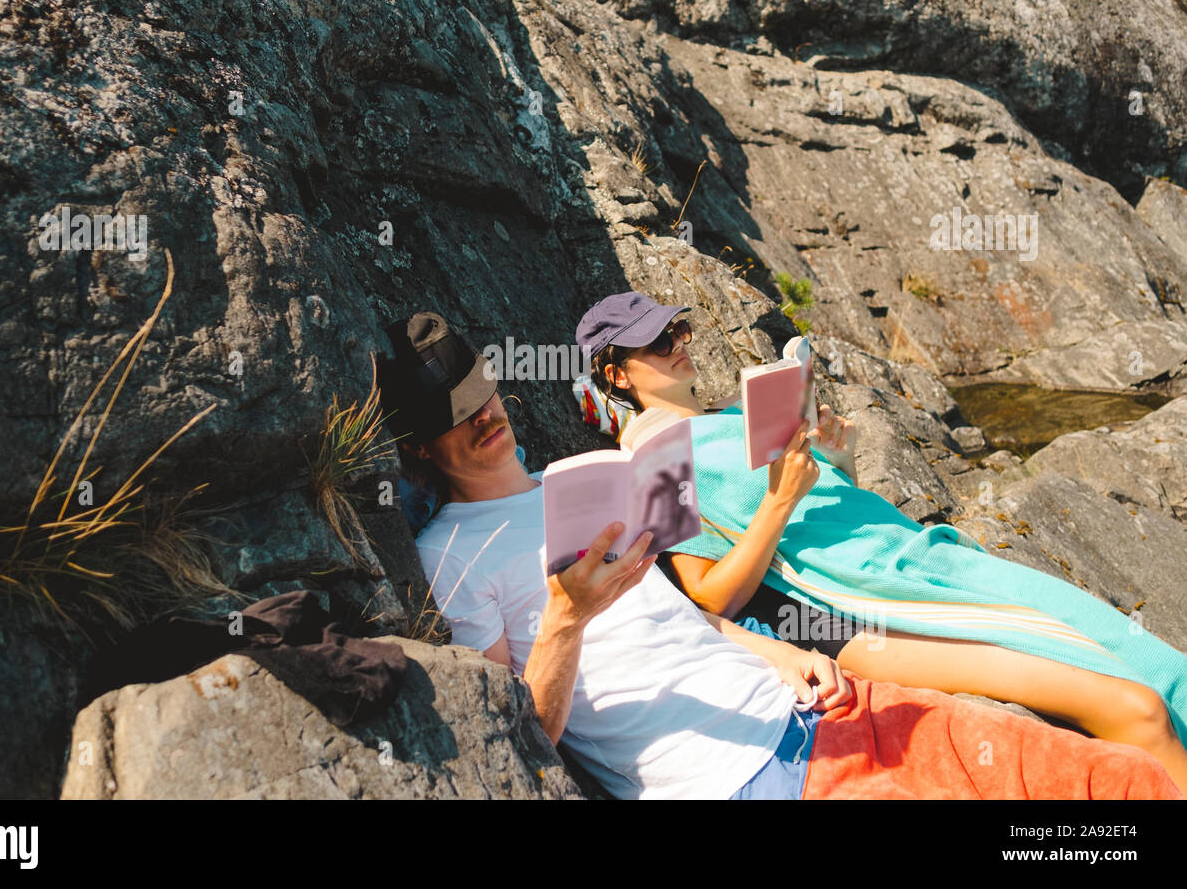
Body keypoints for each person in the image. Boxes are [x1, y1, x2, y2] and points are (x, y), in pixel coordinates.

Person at [375, 309, 1180, 799]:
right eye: (460, 416)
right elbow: (522, 742)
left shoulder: (592, 481)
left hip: (819, 701)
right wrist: (564, 621)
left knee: (1111, 785)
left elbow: (689, 614)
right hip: (745, 776)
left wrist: (776, 653)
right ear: (418, 452)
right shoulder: (448, 555)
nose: (487, 418)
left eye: (486, 396)